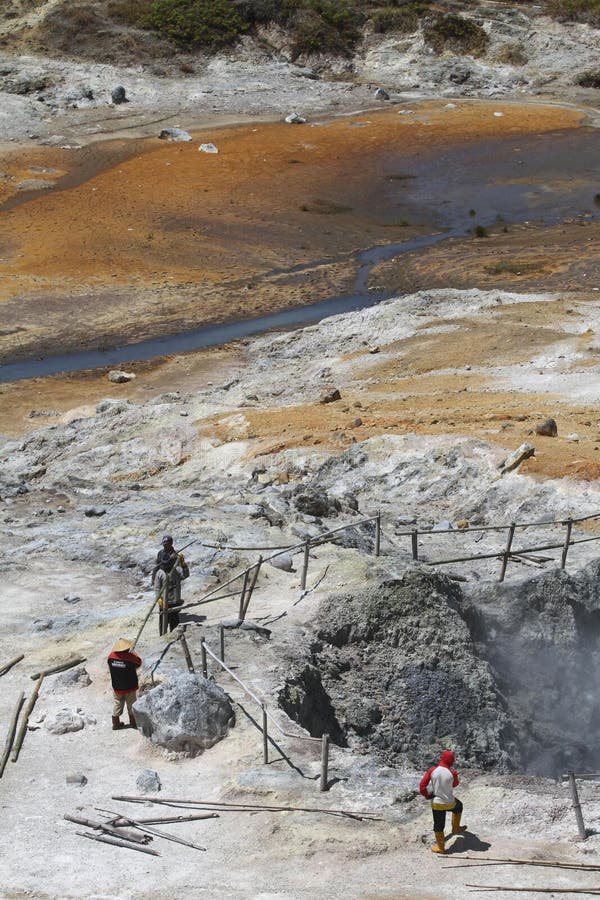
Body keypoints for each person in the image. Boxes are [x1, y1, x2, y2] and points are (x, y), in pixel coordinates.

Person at [419, 749, 467, 854]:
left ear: (441, 758)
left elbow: (422, 786)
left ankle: (441, 847)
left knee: (438, 825)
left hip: (437, 804)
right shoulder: (452, 773)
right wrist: (453, 777)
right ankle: (455, 828)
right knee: (459, 806)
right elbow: (455, 784)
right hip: (450, 803)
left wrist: (427, 795)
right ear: (452, 761)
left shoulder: (432, 770)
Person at [151, 535, 190, 635]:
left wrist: (183, 564)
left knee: (174, 620)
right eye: (164, 544)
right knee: (162, 621)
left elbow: (185, 574)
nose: (165, 546)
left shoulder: (176, 568)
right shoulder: (160, 570)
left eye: (167, 544)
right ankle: (162, 636)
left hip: (174, 598)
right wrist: (158, 598)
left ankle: (174, 637)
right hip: (164, 600)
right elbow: (157, 586)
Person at [107, 638, 141, 731]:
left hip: (117, 686)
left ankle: (116, 724)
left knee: (117, 703)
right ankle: (133, 722)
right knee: (131, 704)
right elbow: (139, 662)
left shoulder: (111, 657)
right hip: (130, 686)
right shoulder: (130, 657)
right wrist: (134, 654)